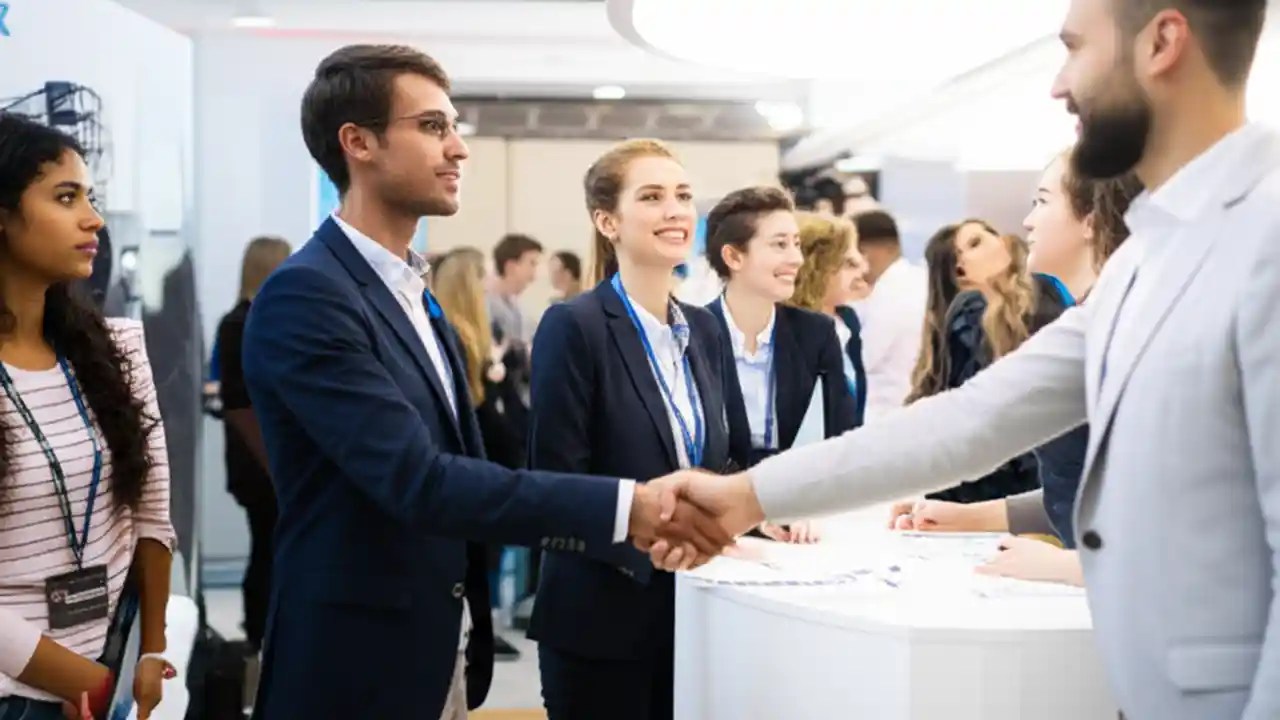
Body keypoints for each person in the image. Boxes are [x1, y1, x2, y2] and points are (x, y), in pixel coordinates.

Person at [653, 1, 1280, 717]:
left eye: (1075, 48)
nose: (1058, 85)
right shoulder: (1150, 261)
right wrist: (745, 497)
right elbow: (971, 421)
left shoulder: (1264, 239)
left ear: (1163, 42)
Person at [239, 46, 729, 720]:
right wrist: (632, 507)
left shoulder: (416, 292)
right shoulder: (309, 295)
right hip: (356, 662)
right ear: (359, 143)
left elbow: (467, 464)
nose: (459, 149)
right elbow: (419, 481)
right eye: (434, 127)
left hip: (437, 644)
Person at [526, 138, 737, 720]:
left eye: (683, 195)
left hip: (694, 611)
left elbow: (720, 460)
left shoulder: (705, 330)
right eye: (652, 197)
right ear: (607, 221)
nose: (675, 210)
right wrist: (659, 545)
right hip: (602, 618)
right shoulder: (574, 326)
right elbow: (555, 483)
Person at [890, 152, 1144, 585]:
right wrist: (967, 518)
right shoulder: (1088, 322)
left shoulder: (1130, 329)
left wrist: (1074, 566)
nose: (1026, 223)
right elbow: (1080, 495)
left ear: (1091, 220)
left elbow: (1185, 511)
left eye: (1042, 202)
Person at [0, 114, 177, 720]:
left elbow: (151, 511)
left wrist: (149, 650)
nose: (93, 219)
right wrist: (89, 685)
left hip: (111, 661)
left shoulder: (115, 349)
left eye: (90, 197)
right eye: (65, 197)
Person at [702, 188, 857, 545]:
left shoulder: (816, 333)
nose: (796, 259)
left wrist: (804, 504)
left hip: (802, 520)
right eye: (779, 245)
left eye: (796, 244)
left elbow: (842, 435)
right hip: (718, 521)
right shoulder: (692, 334)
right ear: (734, 256)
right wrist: (755, 514)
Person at [215, 235, 291, 658]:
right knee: (267, 548)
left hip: (261, 459)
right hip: (261, 460)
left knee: (270, 547)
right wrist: (277, 465)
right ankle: (261, 634)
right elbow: (241, 405)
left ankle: (264, 631)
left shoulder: (249, 320)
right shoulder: (244, 324)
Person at [789, 213, 872, 426]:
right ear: (817, 269)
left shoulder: (849, 322)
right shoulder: (791, 330)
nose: (864, 269)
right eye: (849, 263)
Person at [847, 210, 927, 419]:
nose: (858, 263)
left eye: (860, 252)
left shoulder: (895, 291)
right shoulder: (915, 279)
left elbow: (863, 358)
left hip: (887, 412)